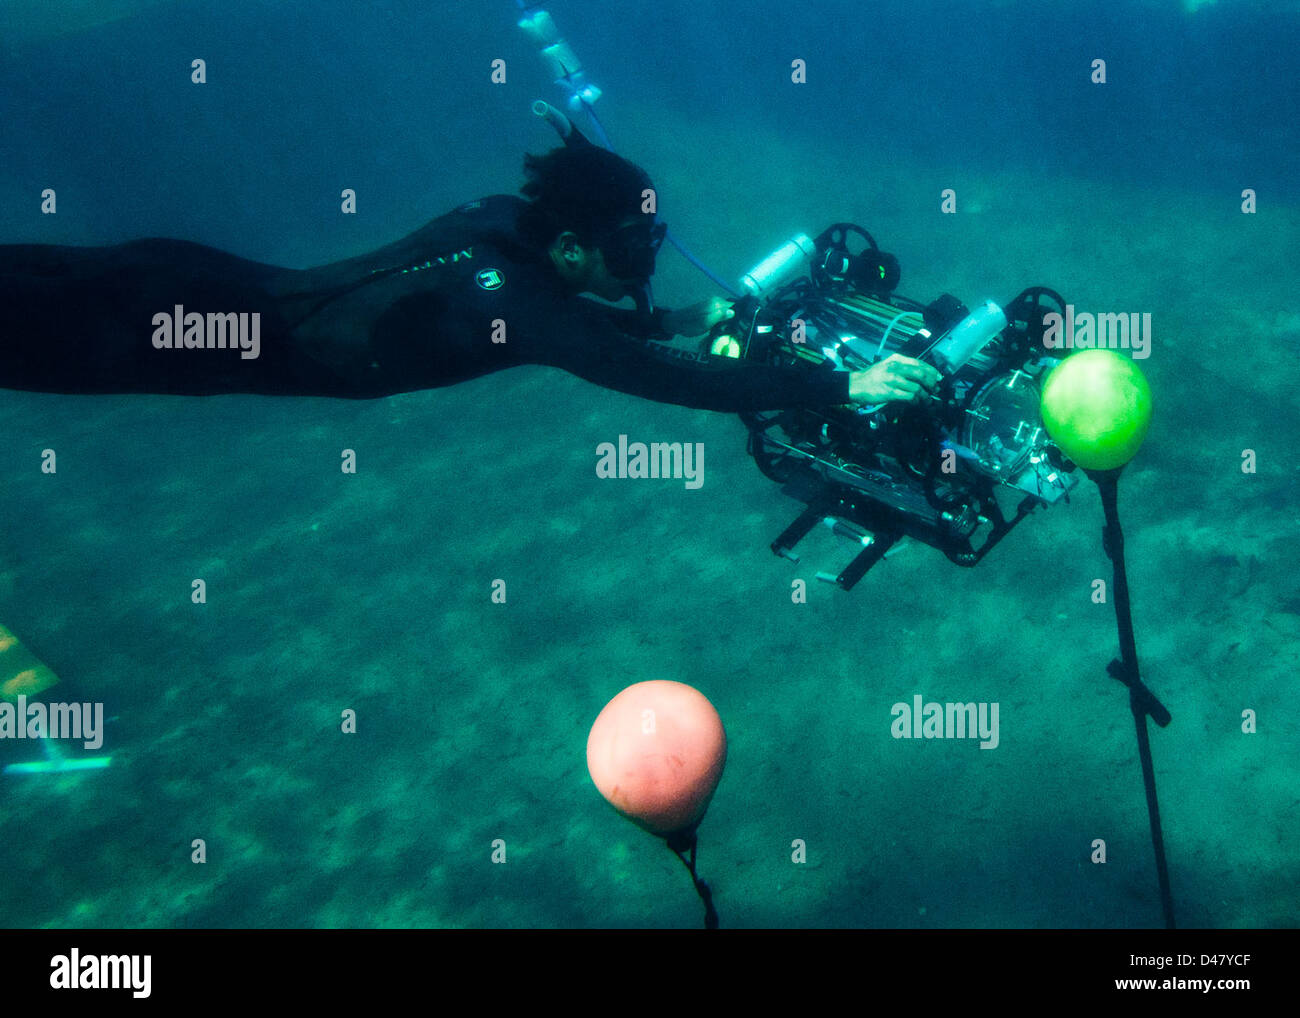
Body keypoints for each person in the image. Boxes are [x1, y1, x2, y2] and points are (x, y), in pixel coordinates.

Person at [0, 143, 940, 409]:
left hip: (197, 280)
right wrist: (838, 381)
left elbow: (588, 323)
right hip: (187, 333)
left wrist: (679, 315)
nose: (639, 266)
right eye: (626, 252)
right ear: (570, 247)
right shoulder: (527, 303)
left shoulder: (505, 224)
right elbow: (662, 381)